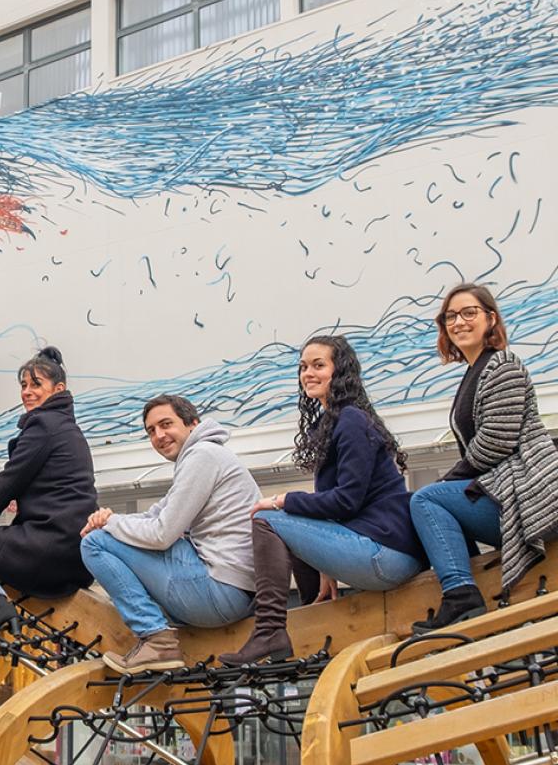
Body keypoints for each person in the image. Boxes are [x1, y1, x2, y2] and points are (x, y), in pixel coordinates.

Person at [220, 335, 424, 665]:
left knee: (267, 519)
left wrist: (284, 498)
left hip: (386, 552)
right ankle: (315, 621)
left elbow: (347, 501)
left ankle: (270, 630)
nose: (308, 373)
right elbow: (332, 508)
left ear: (339, 370)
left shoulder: (352, 421)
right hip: (372, 547)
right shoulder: (329, 423)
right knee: (289, 522)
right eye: (303, 367)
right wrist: (325, 562)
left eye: (318, 365)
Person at [410, 283, 558, 631]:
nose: (458, 322)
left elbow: (496, 442)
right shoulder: (474, 372)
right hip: (504, 491)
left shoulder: (503, 364)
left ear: (491, 318)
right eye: (450, 316)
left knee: (427, 501)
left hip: (531, 494)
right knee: (432, 502)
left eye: (469, 312)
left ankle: (461, 596)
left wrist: (448, 479)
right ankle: (469, 589)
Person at [80, 395, 257, 674]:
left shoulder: (202, 456)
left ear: (192, 424)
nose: (159, 435)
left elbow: (162, 532)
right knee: (109, 534)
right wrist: (107, 519)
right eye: (151, 430)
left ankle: (156, 638)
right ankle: (155, 631)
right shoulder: (201, 457)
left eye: (166, 424)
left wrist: (109, 524)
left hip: (220, 591)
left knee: (94, 543)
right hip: (232, 591)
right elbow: (155, 515)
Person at [0, 346, 96, 637]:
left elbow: (6, 483)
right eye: (24, 385)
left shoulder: (43, 426)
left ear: (58, 389)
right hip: (76, 556)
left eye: (36, 384)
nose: (27, 392)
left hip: (47, 543)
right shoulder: (69, 429)